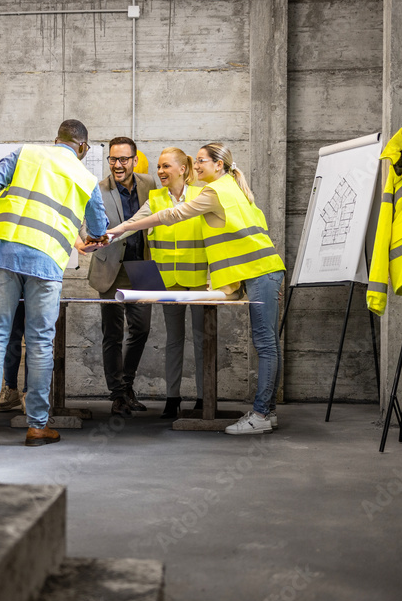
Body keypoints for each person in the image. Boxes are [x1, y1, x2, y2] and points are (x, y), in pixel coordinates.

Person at [106, 142, 285, 435]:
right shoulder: (229, 187)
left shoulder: (213, 192)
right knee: (269, 344)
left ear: (219, 164)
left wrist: (123, 228)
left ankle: (262, 414)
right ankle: (269, 412)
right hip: (260, 272)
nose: (196, 165)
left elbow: (172, 215)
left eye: (201, 160)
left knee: (265, 345)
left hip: (260, 272)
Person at [0, 119, 109, 448]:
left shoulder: (25, 154)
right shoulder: (85, 178)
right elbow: (98, 229)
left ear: (56, 140)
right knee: (40, 344)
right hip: (45, 264)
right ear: (83, 147)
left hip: (3, 254)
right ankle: (36, 427)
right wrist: (91, 237)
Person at [115, 147, 206, 419]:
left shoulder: (202, 195)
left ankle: (204, 398)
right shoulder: (155, 199)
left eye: (166, 166)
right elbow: (132, 224)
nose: (160, 171)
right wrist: (103, 238)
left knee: (202, 340)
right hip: (169, 284)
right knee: (174, 341)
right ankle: (172, 398)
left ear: (182, 169)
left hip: (200, 282)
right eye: (158, 166)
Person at [85, 136, 160, 417]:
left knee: (141, 330)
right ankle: (118, 394)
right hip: (110, 268)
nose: (118, 165)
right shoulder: (97, 188)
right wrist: (89, 239)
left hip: (143, 267)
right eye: (113, 159)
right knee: (113, 334)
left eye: (124, 159)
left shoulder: (150, 183)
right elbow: (85, 224)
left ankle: (127, 386)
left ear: (134, 160)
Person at [0, 300, 27, 413]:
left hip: (36, 292)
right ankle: (11, 389)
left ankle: (29, 394)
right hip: (13, 294)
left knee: (34, 341)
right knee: (12, 338)